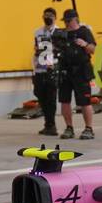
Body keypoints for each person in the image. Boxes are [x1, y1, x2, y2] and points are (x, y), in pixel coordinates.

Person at [56, 8, 97, 140]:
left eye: (69, 20)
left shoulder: (84, 31)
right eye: (65, 21)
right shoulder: (60, 34)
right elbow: (53, 49)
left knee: (85, 101)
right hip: (65, 70)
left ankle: (89, 128)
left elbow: (93, 49)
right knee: (64, 101)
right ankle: (69, 127)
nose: (67, 23)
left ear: (75, 19)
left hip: (81, 70)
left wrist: (85, 44)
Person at [32, 7, 59, 136]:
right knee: (39, 93)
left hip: (52, 67)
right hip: (39, 67)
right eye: (45, 15)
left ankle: (51, 124)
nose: (47, 17)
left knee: (51, 97)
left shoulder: (59, 32)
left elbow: (61, 49)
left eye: (50, 15)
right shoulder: (38, 32)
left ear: (55, 17)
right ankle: (48, 122)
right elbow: (36, 46)